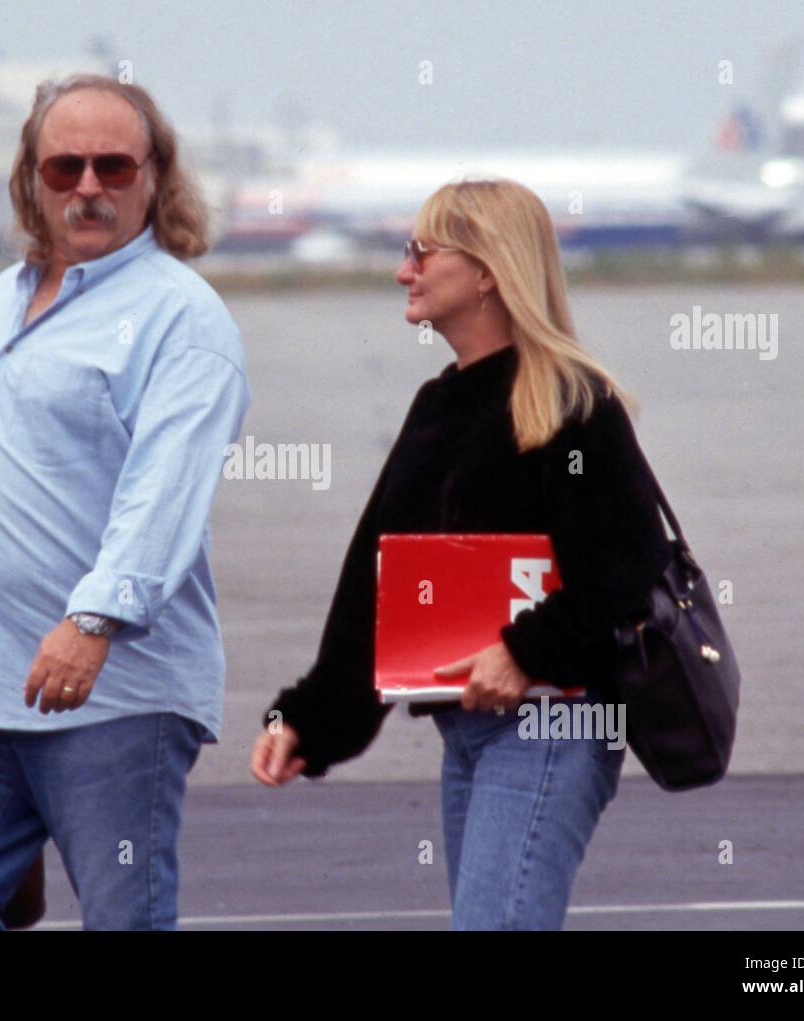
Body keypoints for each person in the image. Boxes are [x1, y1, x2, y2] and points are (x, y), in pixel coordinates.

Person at [249, 178, 671, 930]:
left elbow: (625, 564)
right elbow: (376, 586)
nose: (401, 270)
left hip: (556, 721)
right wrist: (309, 718)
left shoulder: (571, 402)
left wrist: (524, 650)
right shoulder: (439, 404)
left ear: (486, 270)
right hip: (468, 728)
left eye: (419, 251)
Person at [0, 73, 250, 930]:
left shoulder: (183, 320)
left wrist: (92, 623)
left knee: (125, 918)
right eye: (64, 168)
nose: (88, 186)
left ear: (156, 177)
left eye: (113, 166)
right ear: (30, 179)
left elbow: (164, 492)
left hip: (115, 699)